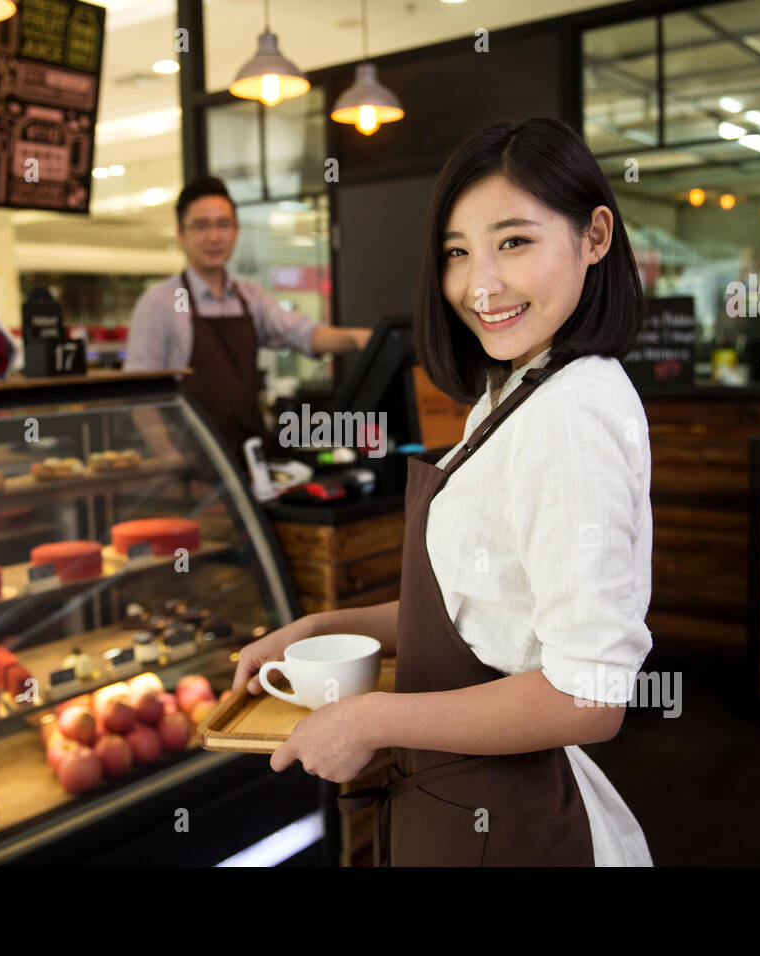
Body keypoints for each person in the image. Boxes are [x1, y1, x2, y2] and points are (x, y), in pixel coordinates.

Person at [233, 117, 654, 866]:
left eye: (514, 242)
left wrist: (371, 719)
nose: (479, 284)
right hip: (458, 801)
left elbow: (589, 697)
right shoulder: (520, 388)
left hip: (507, 822)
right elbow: (485, 608)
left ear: (595, 236)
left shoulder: (571, 417)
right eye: (458, 253)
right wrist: (321, 626)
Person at [124, 177, 370, 465]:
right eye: (201, 226)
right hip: (196, 463)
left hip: (253, 457)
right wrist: (172, 460)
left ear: (236, 231)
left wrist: (358, 338)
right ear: (181, 234)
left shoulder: (250, 296)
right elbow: (140, 398)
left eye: (223, 224)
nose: (214, 237)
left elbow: (302, 334)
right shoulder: (159, 303)